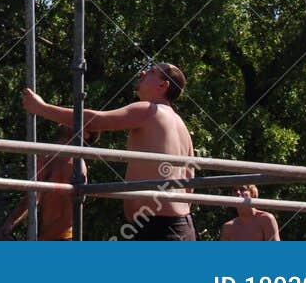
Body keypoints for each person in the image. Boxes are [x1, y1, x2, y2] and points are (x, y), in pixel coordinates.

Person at [23, 62, 196, 241]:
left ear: (163, 85)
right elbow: (189, 184)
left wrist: (41, 108)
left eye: (152, 71)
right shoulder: (182, 127)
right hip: (181, 226)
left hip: (159, 229)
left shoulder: (149, 110)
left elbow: (95, 121)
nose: (143, 72)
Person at [0, 125, 75, 241]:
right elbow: (32, 197)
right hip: (41, 234)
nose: (66, 121)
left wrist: (39, 241)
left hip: (60, 239)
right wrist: (9, 223)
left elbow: (68, 219)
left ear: (86, 134)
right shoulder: (45, 157)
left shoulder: (75, 166)